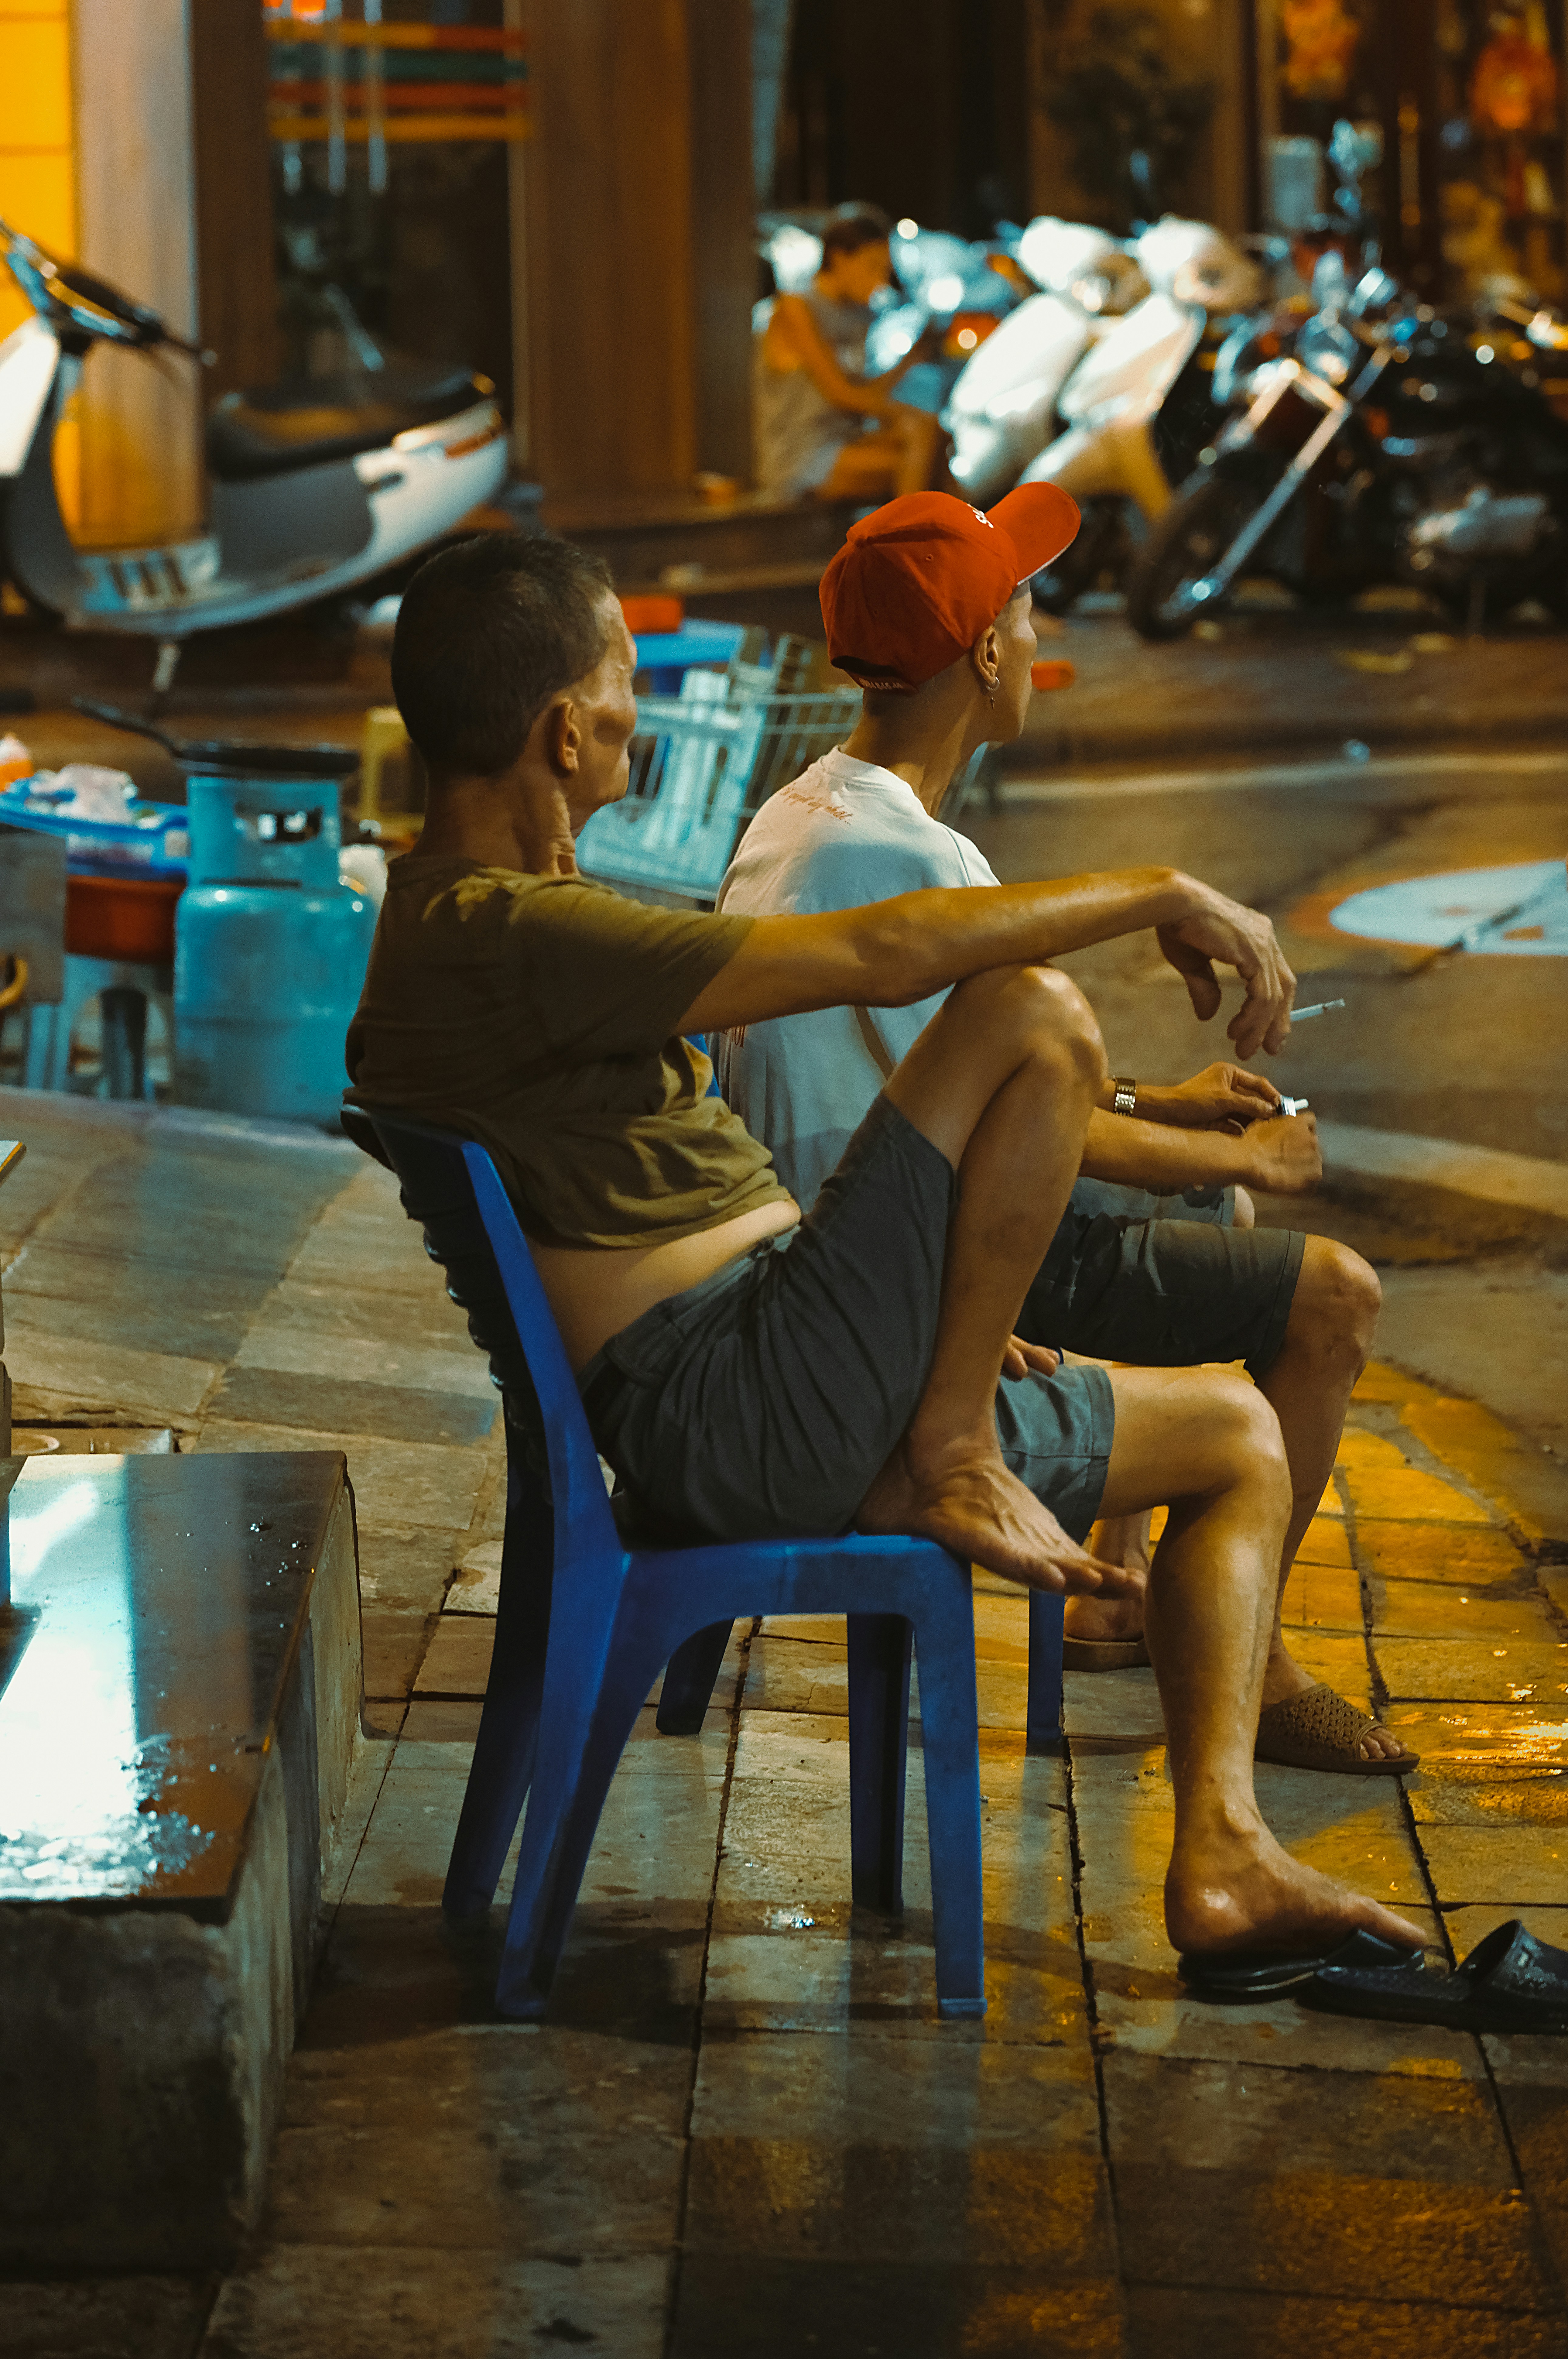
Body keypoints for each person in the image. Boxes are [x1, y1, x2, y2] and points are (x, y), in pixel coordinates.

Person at [344, 526, 1424, 1973]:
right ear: (562, 728)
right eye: (621, 684)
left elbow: (712, 1190)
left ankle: (1220, 1847)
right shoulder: (517, 930)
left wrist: (928, 1313)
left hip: (758, 1368)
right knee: (1033, 1014)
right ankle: (953, 1448)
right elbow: (890, 956)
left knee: (1238, 1429)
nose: (636, 713)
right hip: (741, 1407)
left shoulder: (469, 920)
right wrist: (1169, 890)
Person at [711, 487, 1416, 1778]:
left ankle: (1116, 1597)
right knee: (1333, 1299)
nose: (1040, 636)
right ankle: (1252, 1665)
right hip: (896, 1270)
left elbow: (996, 1088)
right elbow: (1039, 1136)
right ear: (985, 652)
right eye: (1028, 609)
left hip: (872, 1231)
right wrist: (1235, 1149)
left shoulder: (818, 809)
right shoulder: (895, 859)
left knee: (1220, 1218)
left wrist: (1172, 1111)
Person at [755, 201, 943, 501]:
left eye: (885, 271)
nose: (880, 281)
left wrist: (912, 359)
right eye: (872, 267)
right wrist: (907, 413)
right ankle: (910, 541)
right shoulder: (795, 310)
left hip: (846, 443)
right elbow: (841, 394)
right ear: (839, 258)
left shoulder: (858, 315)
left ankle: (934, 538)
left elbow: (866, 394)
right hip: (802, 457)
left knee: (936, 438)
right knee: (924, 447)